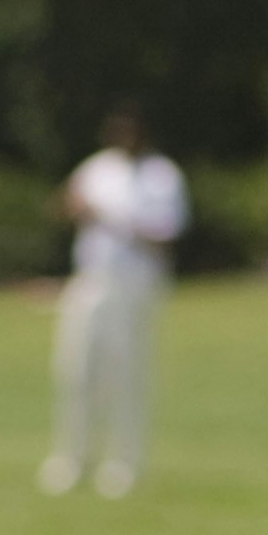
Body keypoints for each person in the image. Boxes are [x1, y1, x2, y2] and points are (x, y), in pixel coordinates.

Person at [40, 103, 186, 499]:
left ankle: (123, 464)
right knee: (76, 371)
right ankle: (72, 459)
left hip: (136, 285)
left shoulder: (162, 176)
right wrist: (74, 206)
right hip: (89, 281)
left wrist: (111, 219)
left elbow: (165, 236)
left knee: (126, 376)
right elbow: (62, 204)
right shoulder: (97, 168)